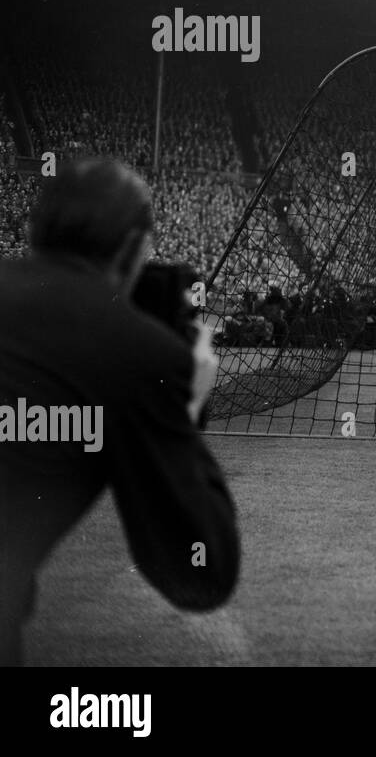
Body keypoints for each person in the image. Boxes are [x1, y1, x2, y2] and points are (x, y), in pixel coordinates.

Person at [0, 159, 240, 665]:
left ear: (30, 233)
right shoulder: (137, 351)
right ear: (135, 248)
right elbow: (200, 574)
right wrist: (188, 398)